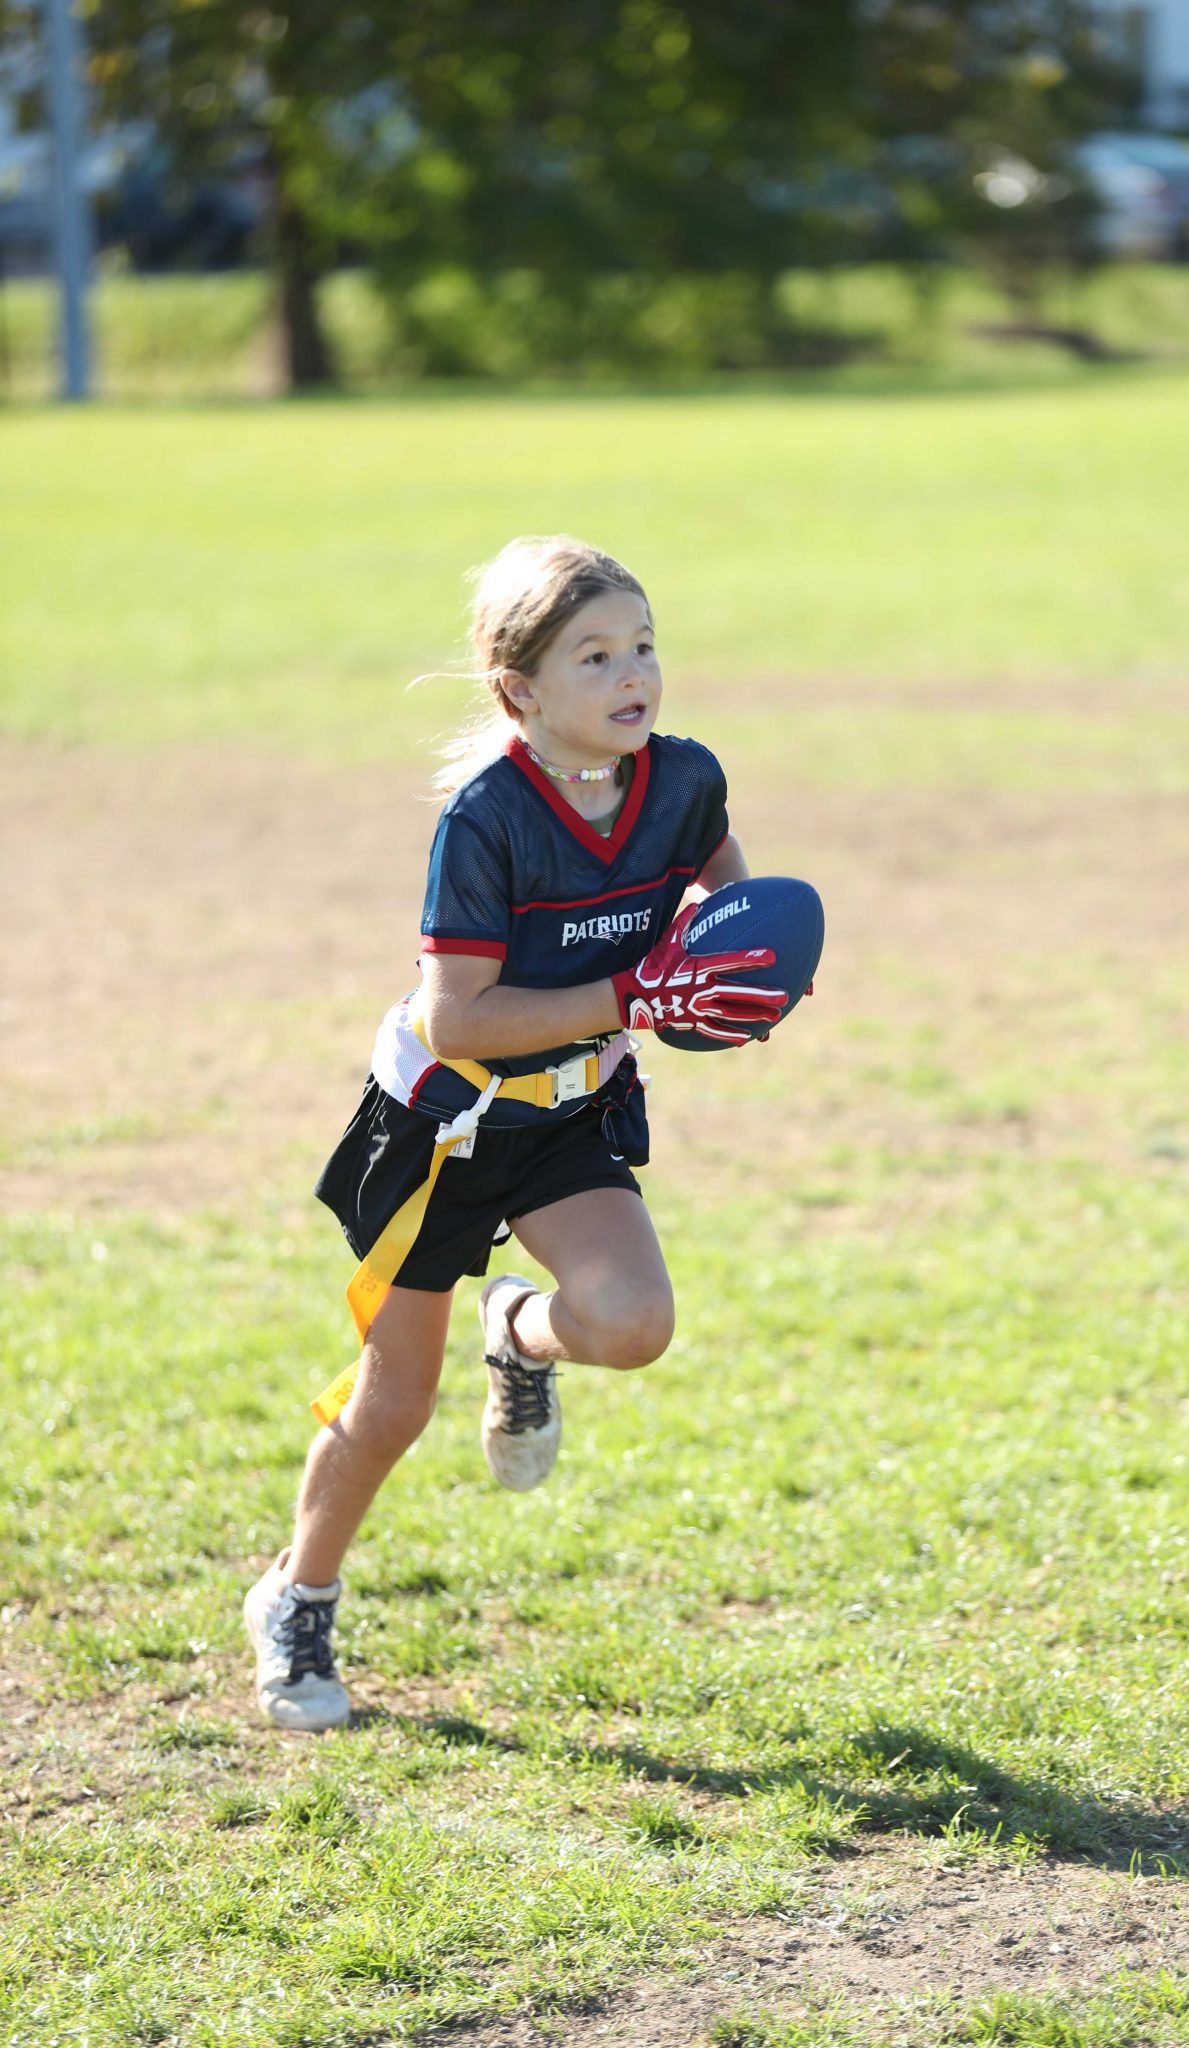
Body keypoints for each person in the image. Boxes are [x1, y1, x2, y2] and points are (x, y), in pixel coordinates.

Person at [243, 536, 787, 1732]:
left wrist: (745, 972)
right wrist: (639, 997)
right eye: (594, 655)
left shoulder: (685, 781)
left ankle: (521, 1335)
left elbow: (728, 919)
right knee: (394, 1402)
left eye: (643, 644)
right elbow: (461, 1018)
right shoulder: (486, 817)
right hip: (447, 1121)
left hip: (571, 1110)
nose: (631, 672)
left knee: (634, 1323)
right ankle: (297, 1594)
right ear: (520, 692)